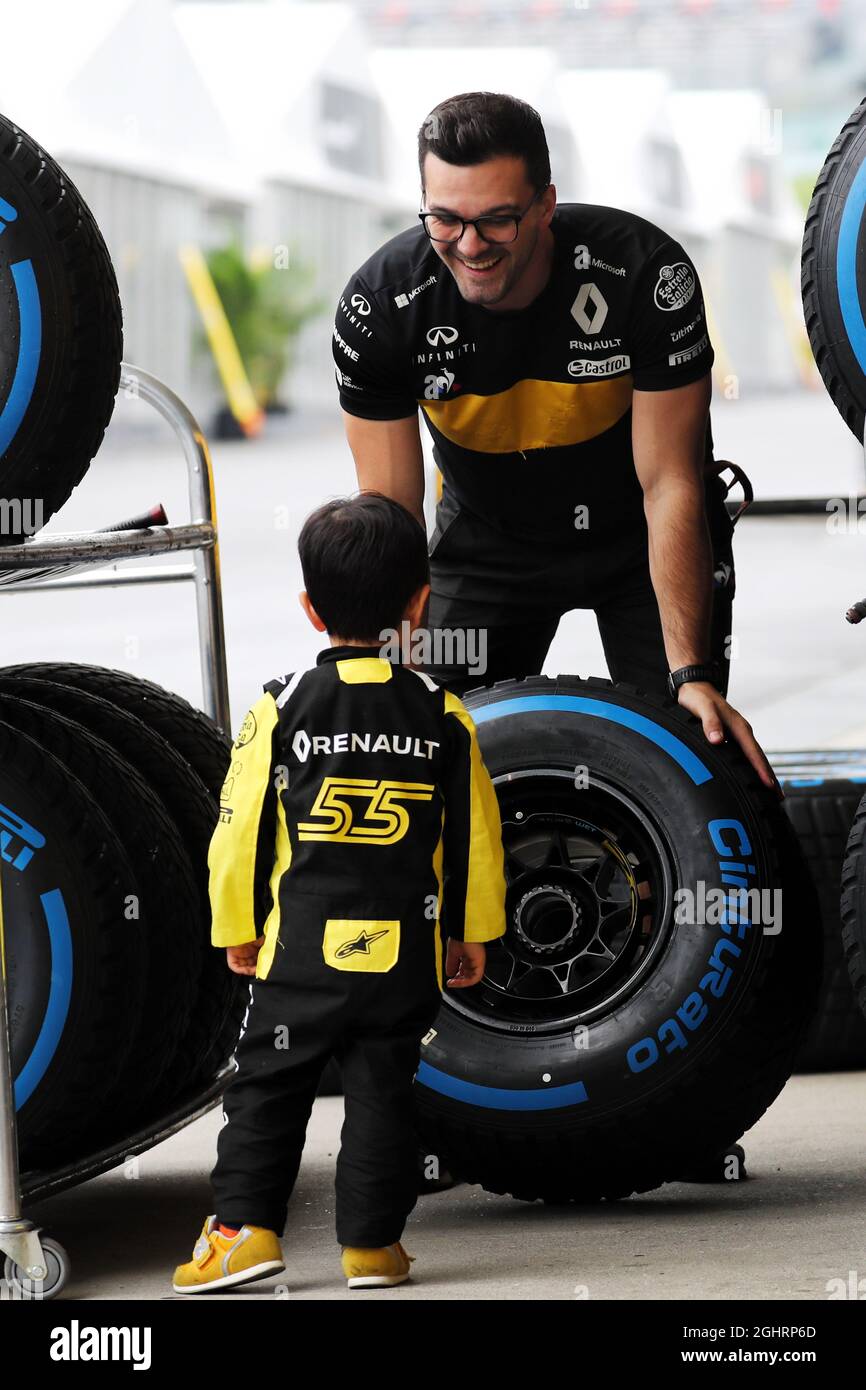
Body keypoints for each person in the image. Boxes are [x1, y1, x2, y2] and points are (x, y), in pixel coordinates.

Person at [332, 89, 779, 796]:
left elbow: (672, 484)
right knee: (428, 748)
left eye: (497, 220)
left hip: (641, 539)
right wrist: (379, 668)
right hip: (487, 547)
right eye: (445, 219)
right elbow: (390, 511)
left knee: (687, 754)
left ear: (545, 205)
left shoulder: (645, 274)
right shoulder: (381, 305)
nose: (470, 246)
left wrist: (689, 674)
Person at [172, 492, 507, 1294]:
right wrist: (472, 932)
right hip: (402, 957)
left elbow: (238, 830)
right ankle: (371, 1248)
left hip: (299, 958)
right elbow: (477, 840)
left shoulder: (281, 706)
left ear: (310, 608)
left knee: (267, 1087)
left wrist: (236, 924)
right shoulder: (441, 714)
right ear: (418, 604)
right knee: (383, 1090)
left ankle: (245, 1234)